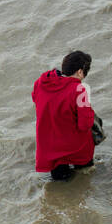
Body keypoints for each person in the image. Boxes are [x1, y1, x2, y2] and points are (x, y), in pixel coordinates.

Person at [33, 51, 98, 182]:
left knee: (60, 184)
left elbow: (35, 98)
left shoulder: (41, 82)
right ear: (80, 72)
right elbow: (85, 124)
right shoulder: (80, 89)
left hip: (50, 149)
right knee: (85, 179)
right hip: (75, 148)